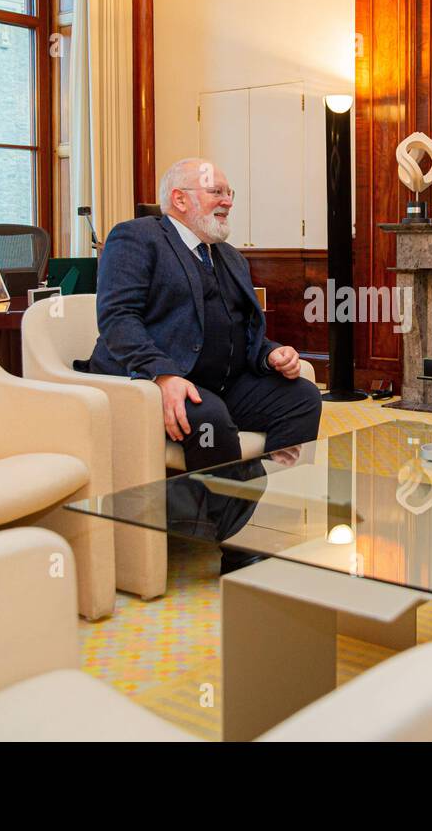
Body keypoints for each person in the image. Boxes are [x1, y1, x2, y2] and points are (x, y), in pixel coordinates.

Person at [82, 158, 323, 571]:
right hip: (150, 383)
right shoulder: (136, 238)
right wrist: (162, 373)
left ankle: (261, 505)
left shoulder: (229, 257)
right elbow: (118, 319)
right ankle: (235, 541)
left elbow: (245, 332)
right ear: (179, 199)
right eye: (217, 192)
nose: (228, 200)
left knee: (300, 396)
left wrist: (271, 353)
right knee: (209, 418)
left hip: (224, 381)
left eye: (230, 193)